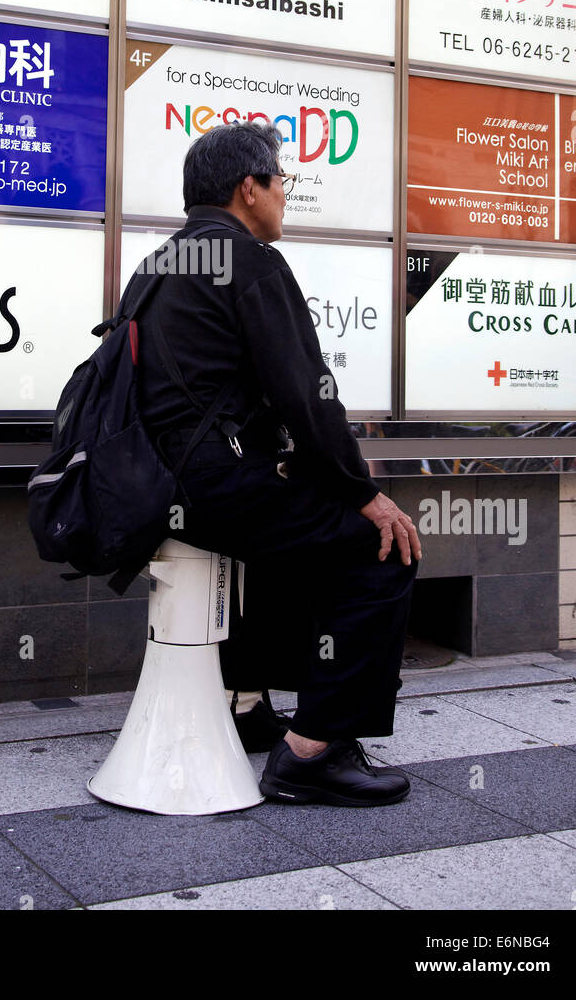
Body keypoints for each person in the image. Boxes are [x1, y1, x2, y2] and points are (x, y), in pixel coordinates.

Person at [128, 120, 422, 807]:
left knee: (283, 539)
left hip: (157, 485)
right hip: (216, 487)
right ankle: (312, 752)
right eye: (280, 179)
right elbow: (308, 395)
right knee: (381, 551)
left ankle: (244, 705)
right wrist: (362, 493)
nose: (286, 193)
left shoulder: (159, 265)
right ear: (247, 188)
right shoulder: (250, 261)